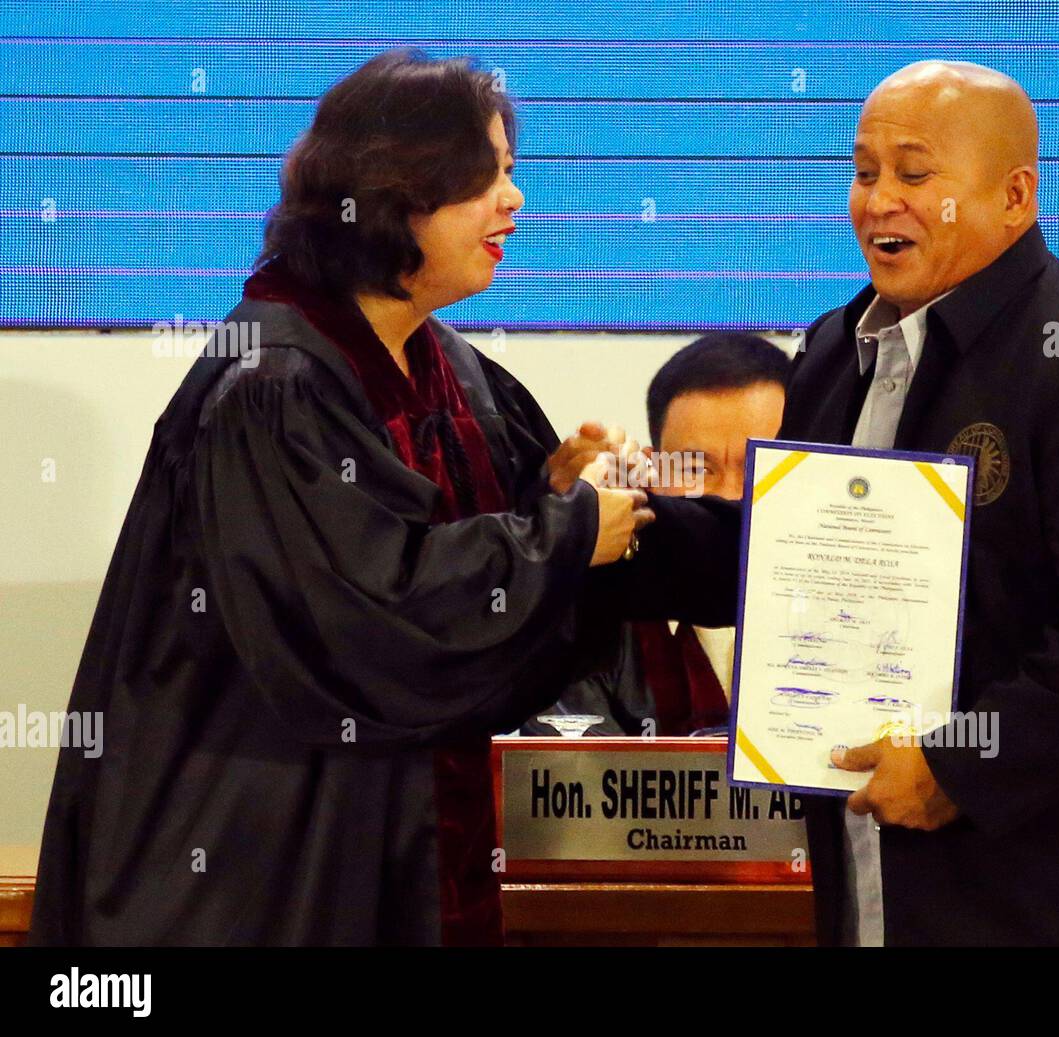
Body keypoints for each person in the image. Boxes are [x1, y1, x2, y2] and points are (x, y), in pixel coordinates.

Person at [28, 49, 737, 947]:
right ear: (397, 192)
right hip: (262, 868)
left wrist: (578, 502)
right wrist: (560, 531)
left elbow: (524, 574)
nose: (514, 201)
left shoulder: (459, 377)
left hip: (416, 849)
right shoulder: (271, 382)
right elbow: (369, 618)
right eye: (488, 178)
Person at [780, 61, 1059, 945]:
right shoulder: (834, 351)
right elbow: (787, 559)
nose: (878, 201)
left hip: (1055, 904)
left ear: (1016, 196)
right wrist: (623, 528)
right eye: (864, 172)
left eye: (914, 173)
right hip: (874, 884)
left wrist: (955, 767)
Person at [524, 333, 789, 736]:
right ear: (651, 472)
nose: (731, 498)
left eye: (763, 468)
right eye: (697, 469)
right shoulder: (586, 623)